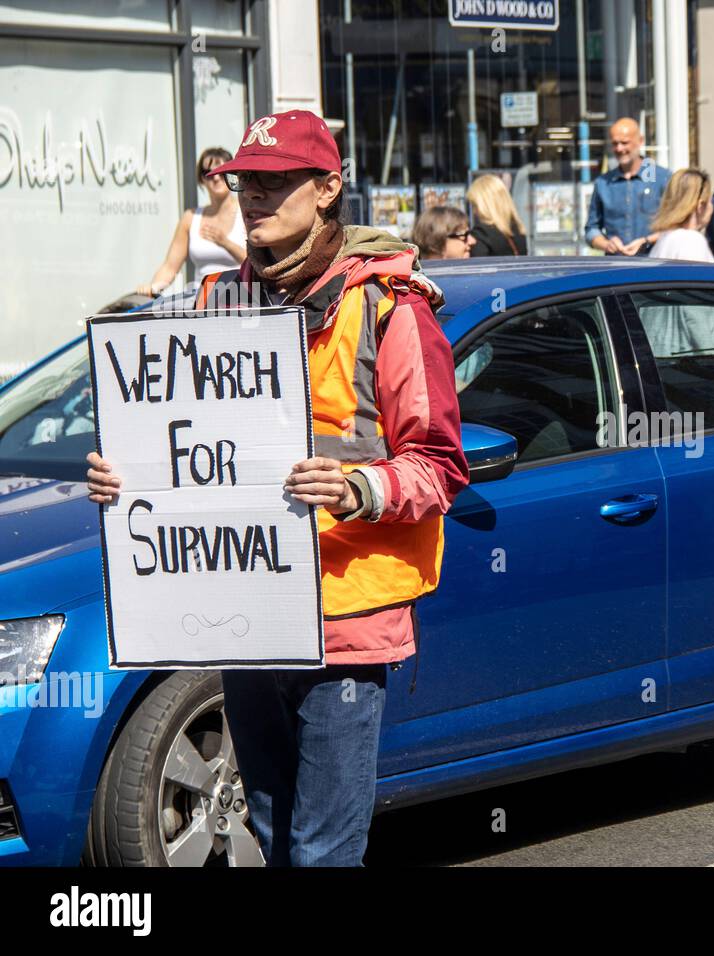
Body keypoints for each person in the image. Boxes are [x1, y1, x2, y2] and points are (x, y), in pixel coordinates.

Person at [87, 110, 469, 866]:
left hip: (345, 621)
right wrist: (126, 478)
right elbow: (184, 453)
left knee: (322, 851)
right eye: (243, 183)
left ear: (328, 189)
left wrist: (358, 487)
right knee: (270, 833)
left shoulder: (390, 306)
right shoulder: (213, 304)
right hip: (247, 614)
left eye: (274, 182)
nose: (253, 196)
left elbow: (441, 464)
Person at [136, 147, 247, 296]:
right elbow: (170, 267)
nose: (215, 178)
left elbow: (257, 265)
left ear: (232, 175)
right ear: (201, 179)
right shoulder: (191, 217)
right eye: (208, 173)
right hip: (200, 300)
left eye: (221, 172)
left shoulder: (247, 212)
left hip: (239, 298)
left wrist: (225, 243)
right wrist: (152, 288)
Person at [583, 117, 672, 256]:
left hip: (654, 265)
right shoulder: (603, 183)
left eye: (625, 143)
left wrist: (646, 241)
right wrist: (607, 244)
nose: (619, 148)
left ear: (640, 141)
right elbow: (591, 229)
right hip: (617, 268)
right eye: (615, 143)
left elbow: (677, 226)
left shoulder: (662, 178)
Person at [648, 168, 714, 262]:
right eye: (710, 201)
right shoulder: (692, 241)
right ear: (700, 205)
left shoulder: (664, 239)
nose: (712, 207)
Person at [467, 174, 527, 256]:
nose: (474, 211)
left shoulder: (481, 233)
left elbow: (477, 266)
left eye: (475, 205)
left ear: (485, 205)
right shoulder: (518, 229)